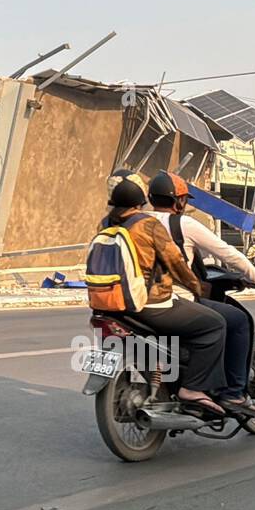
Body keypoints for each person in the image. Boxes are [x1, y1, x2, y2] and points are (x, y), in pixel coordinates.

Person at [100, 169, 229, 415]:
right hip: (149, 303)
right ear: (141, 200)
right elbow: (176, 263)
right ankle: (192, 389)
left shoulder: (104, 224)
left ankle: (165, 371)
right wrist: (197, 287)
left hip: (109, 303)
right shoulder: (147, 224)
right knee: (215, 324)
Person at [147, 170, 255, 417]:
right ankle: (232, 393)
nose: (185, 203)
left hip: (133, 299)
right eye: (184, 199)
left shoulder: (134, 221)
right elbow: (227, 253)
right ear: (178, 201)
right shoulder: (183, 224)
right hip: (174, 299)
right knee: (236, 321)